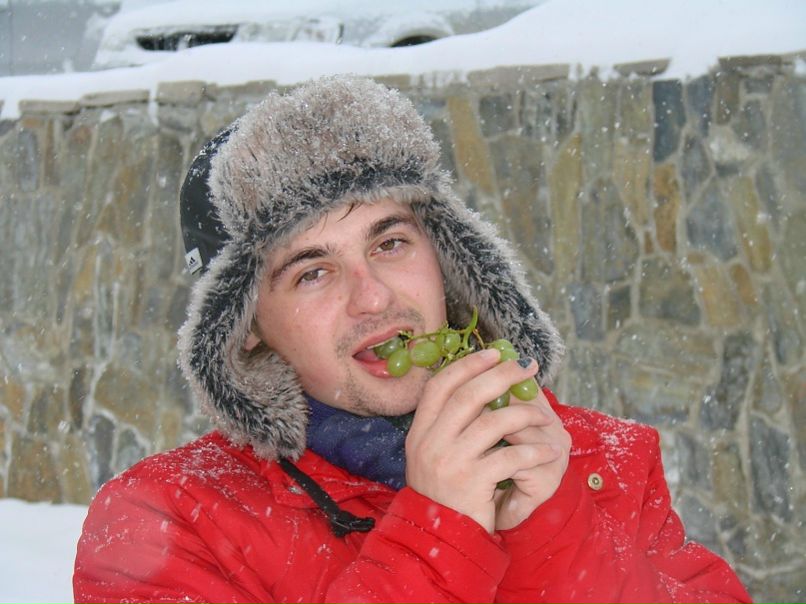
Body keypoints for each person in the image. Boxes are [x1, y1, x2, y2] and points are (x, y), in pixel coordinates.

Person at [73, 75, 751, 603]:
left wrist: (552, 528)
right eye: (313, 272)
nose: (373, 297)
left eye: (390, 242)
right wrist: (437, 531)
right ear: (246, 328)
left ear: (447, 257)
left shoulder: (602, 460)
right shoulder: (170, 521)